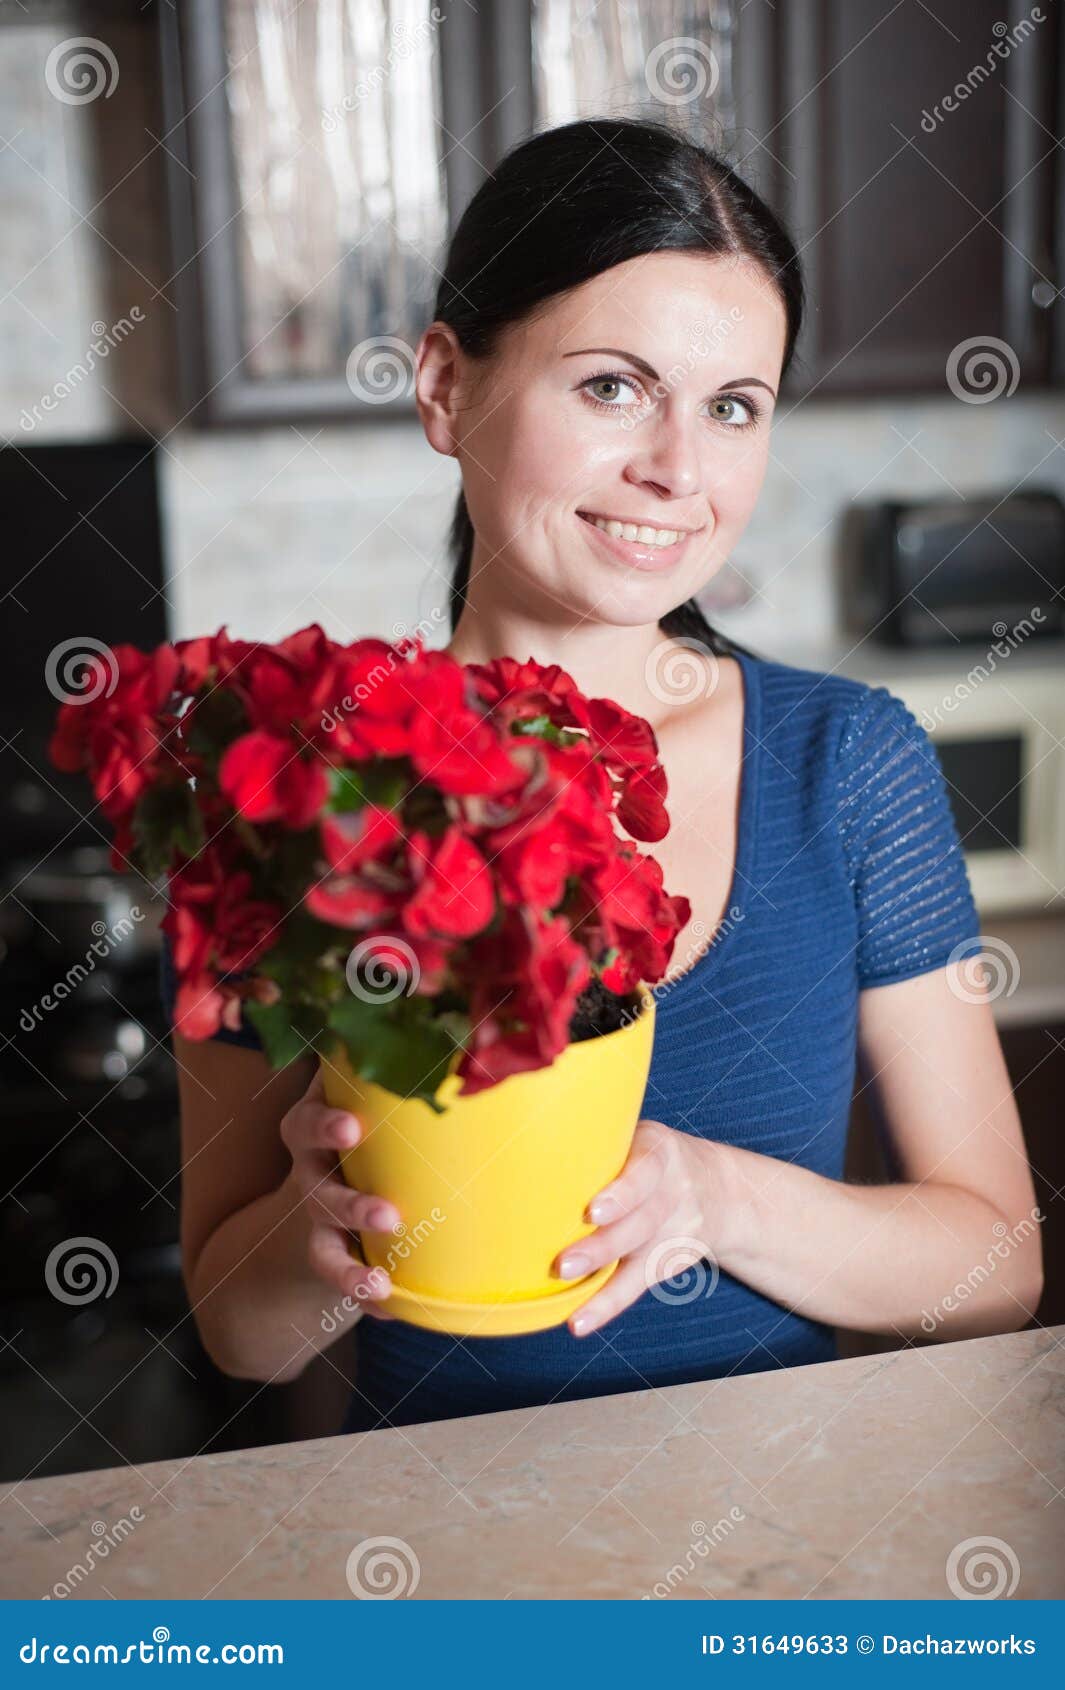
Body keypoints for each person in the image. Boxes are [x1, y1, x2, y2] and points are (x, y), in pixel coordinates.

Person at [161, 117, 1042, 1436]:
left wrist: (714, 1198)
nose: (677, 471)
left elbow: (994, 1266)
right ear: (447, 386)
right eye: (611, 386)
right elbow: (240, 1327)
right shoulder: (298, 788)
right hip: (442, 1562)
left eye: (731, 407)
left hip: (774, 1562)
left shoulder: (844, 761)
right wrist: (317, 1236)